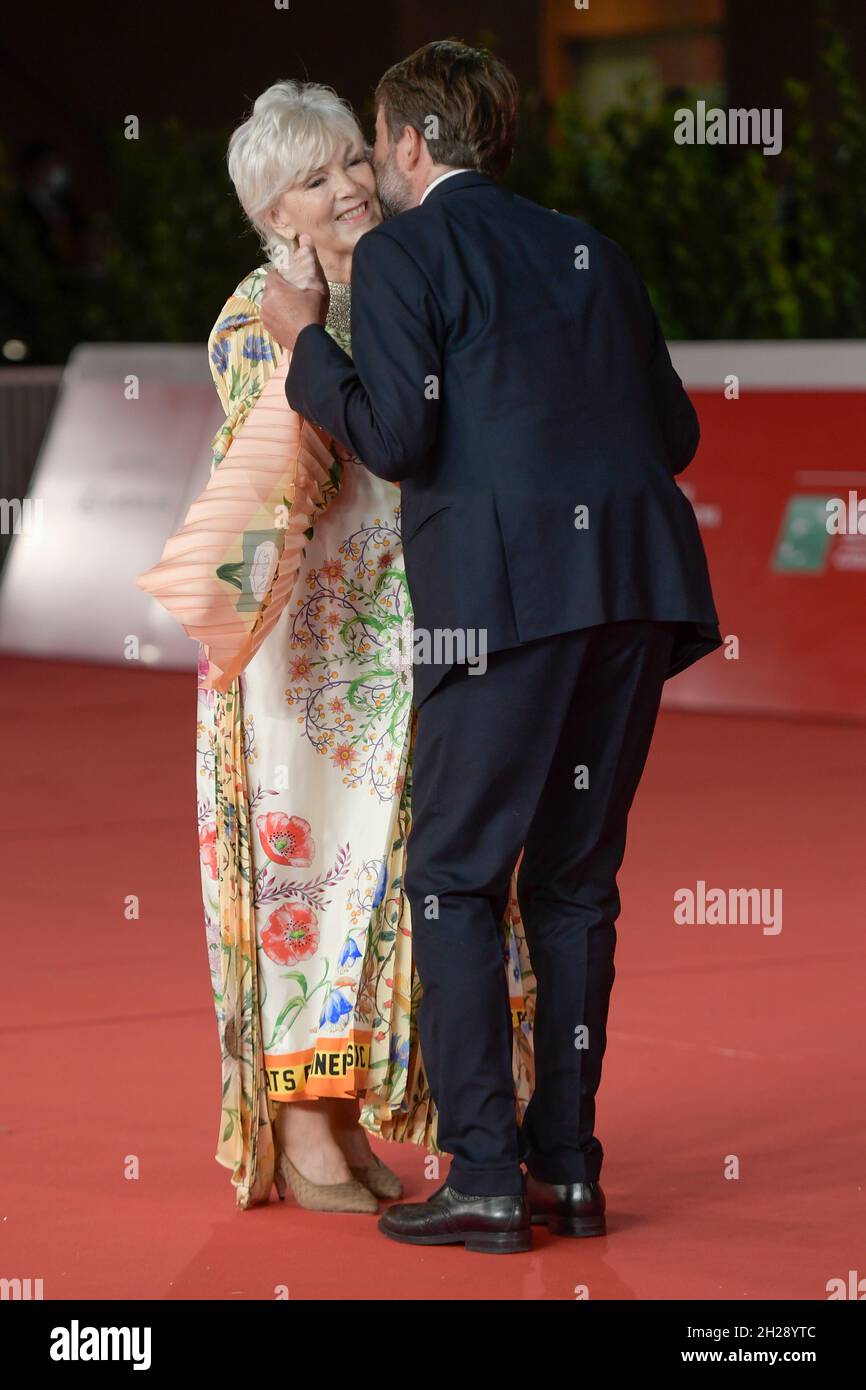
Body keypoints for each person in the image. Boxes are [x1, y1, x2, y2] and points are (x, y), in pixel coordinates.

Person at [261, 39, 722, 1253]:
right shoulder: (595, 252)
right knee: (573, 883)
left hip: (503, 604)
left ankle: (478, 1174)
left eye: (375, 149)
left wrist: (305, 339)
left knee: (456, 878)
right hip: (635, 590)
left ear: (410, 146)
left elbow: (396, 437)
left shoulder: (410, 249)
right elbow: (671, 433)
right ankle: (566, 1168)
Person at [197, 79, 536, 1213]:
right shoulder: (255, 316)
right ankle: (304, 1128)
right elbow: (269, 486)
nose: (345, 188)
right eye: (311, 178)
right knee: (310, 875)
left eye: (351, 160)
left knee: (398, 879)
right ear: (270, 213)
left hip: (414, 634)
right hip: (301, 652)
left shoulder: (404, 283)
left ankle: (371, 1110)